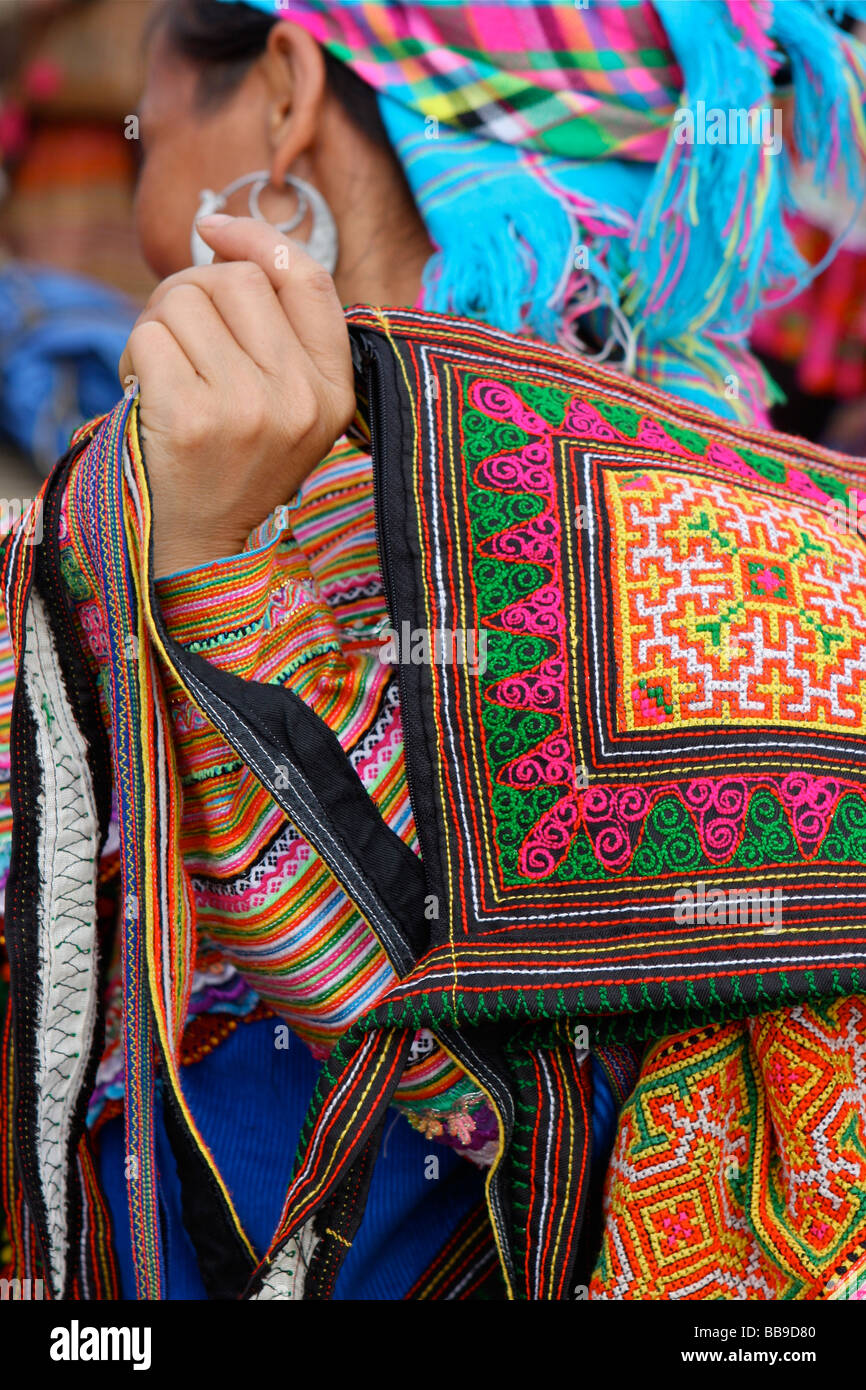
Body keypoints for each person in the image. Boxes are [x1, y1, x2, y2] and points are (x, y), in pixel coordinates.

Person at [3, 0, 866, 1301]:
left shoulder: (266, 521)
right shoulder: (770, 531)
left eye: (153, 120)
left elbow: (461, 1064)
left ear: (285, 93)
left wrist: (213, 567)